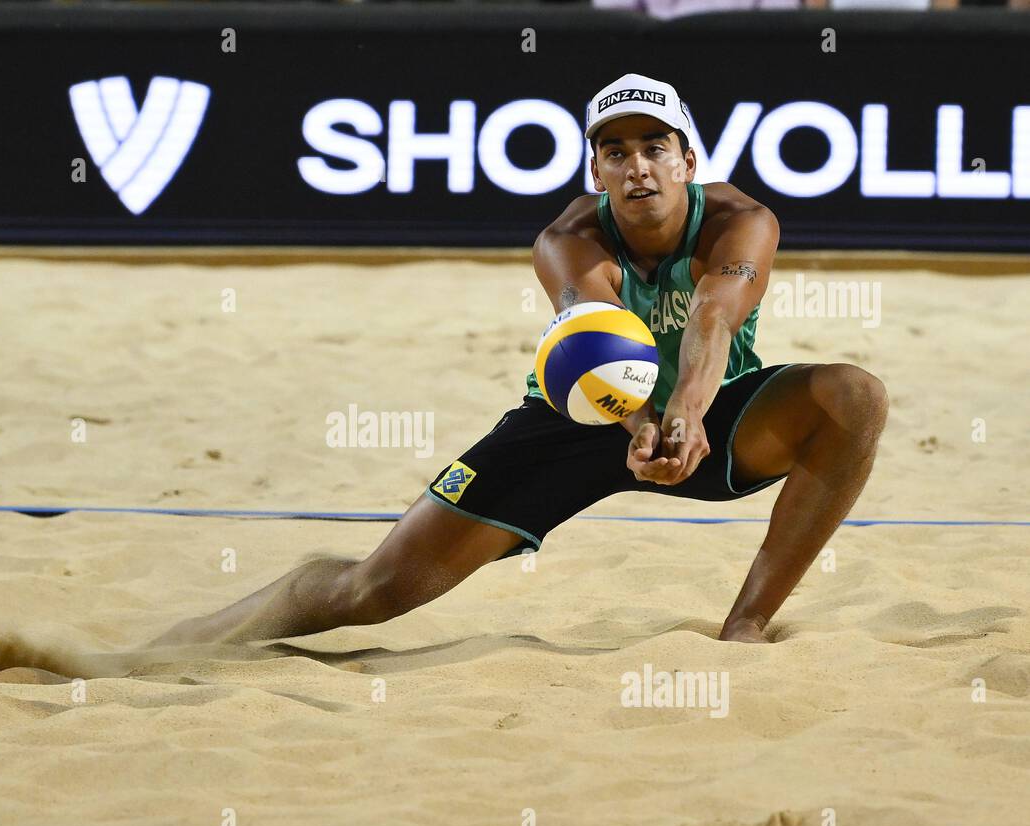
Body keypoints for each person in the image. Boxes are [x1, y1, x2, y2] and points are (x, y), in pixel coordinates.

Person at [151, 72, 888, 649]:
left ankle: (747, 625)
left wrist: (687, 417)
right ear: (595, 171)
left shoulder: (742, 220)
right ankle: (183, 643)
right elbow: (599, 349)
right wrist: (640, 424)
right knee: (374, 591)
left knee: (854, 397)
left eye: (655, 147)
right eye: (616, 152)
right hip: (583, 413)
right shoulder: (566, 238)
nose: (638, 168)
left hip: (711, 411)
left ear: (688, 160)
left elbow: (712, 316)